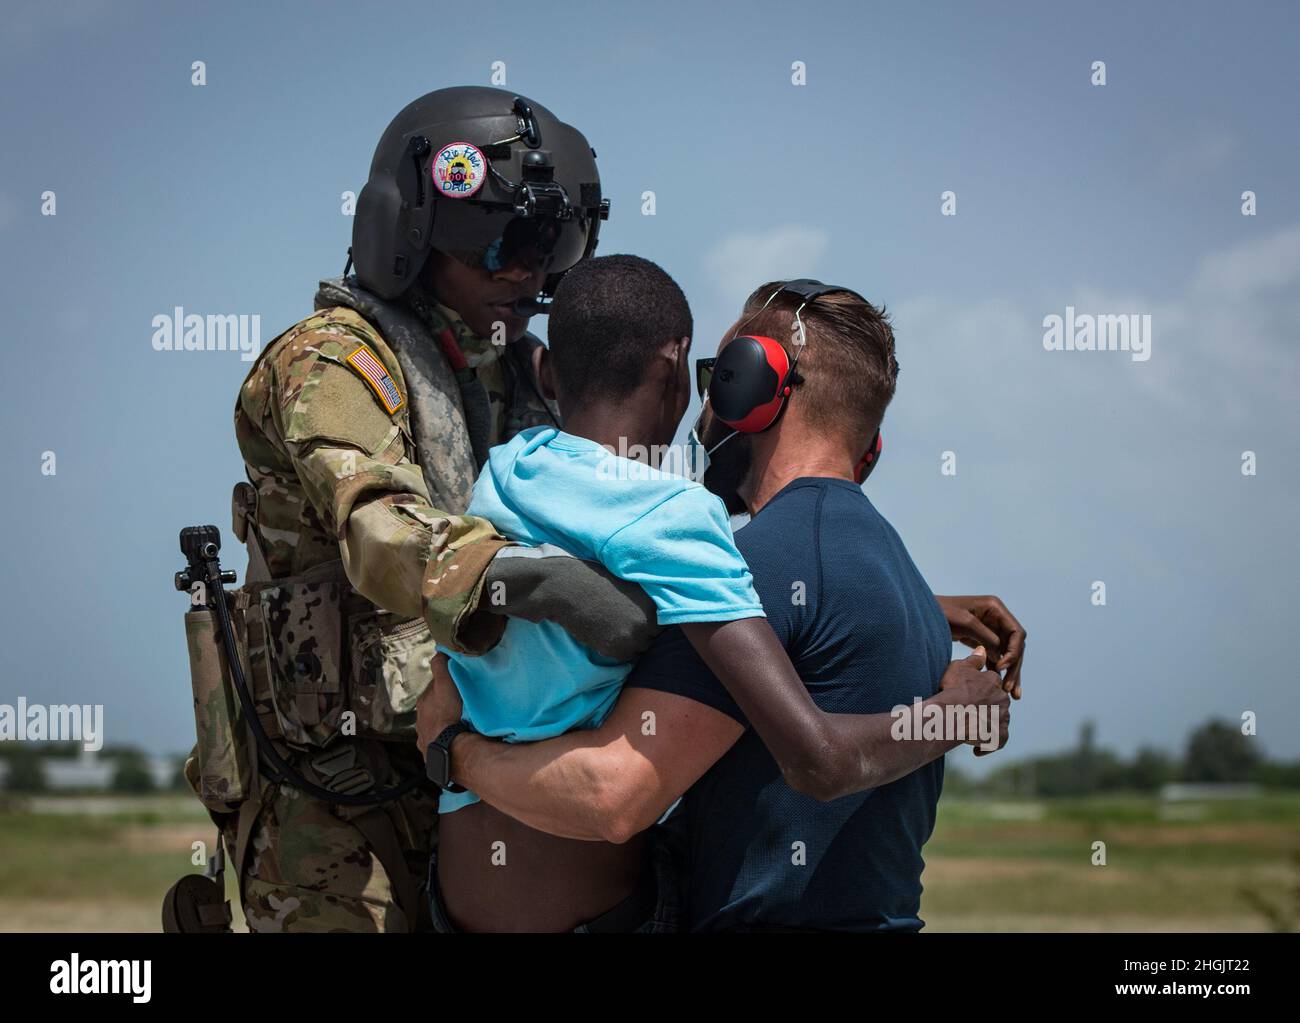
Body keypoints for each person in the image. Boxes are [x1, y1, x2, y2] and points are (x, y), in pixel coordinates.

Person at [178, 86, 663, 933]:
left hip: (469, 777)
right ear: (411, 237)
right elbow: (377, 525)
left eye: (549, 250)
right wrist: (535, 583)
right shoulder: (329, 361)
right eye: (500, 246)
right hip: (333, 804)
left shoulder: (518, 373)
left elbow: (623, 498)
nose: (526, 274)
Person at [417, 263, 1024, 931]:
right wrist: (948, 706)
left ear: (750, 387)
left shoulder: (746, 554)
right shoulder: (897, 576)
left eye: (718, 379)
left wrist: (454, 751)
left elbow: (617, 794)